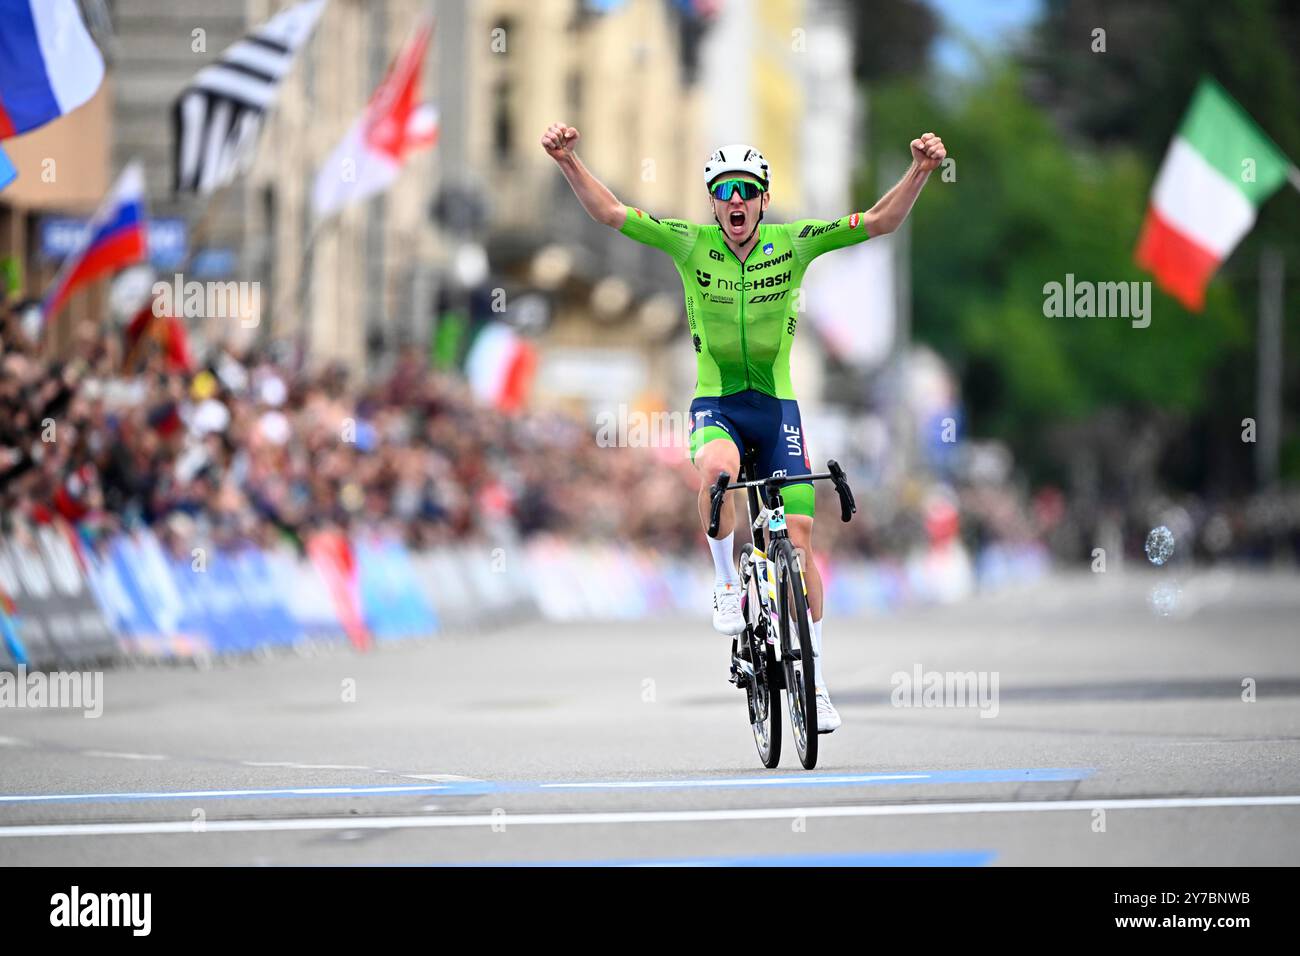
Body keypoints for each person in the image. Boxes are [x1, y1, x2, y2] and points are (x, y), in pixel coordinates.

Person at [542, 123, 946, 732]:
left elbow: (879, 222)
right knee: (717, 471)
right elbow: (610, 212)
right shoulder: (689, 243)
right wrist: (570, 160)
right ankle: (728, 584)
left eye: (747, 190)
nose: (736, 200)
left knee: (802, 538)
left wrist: (918, 171)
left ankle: (815, 675)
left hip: (777, 406)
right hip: (717, 402)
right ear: (713, 200)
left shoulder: (795, 242)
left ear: (762, 198)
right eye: (725, 190)